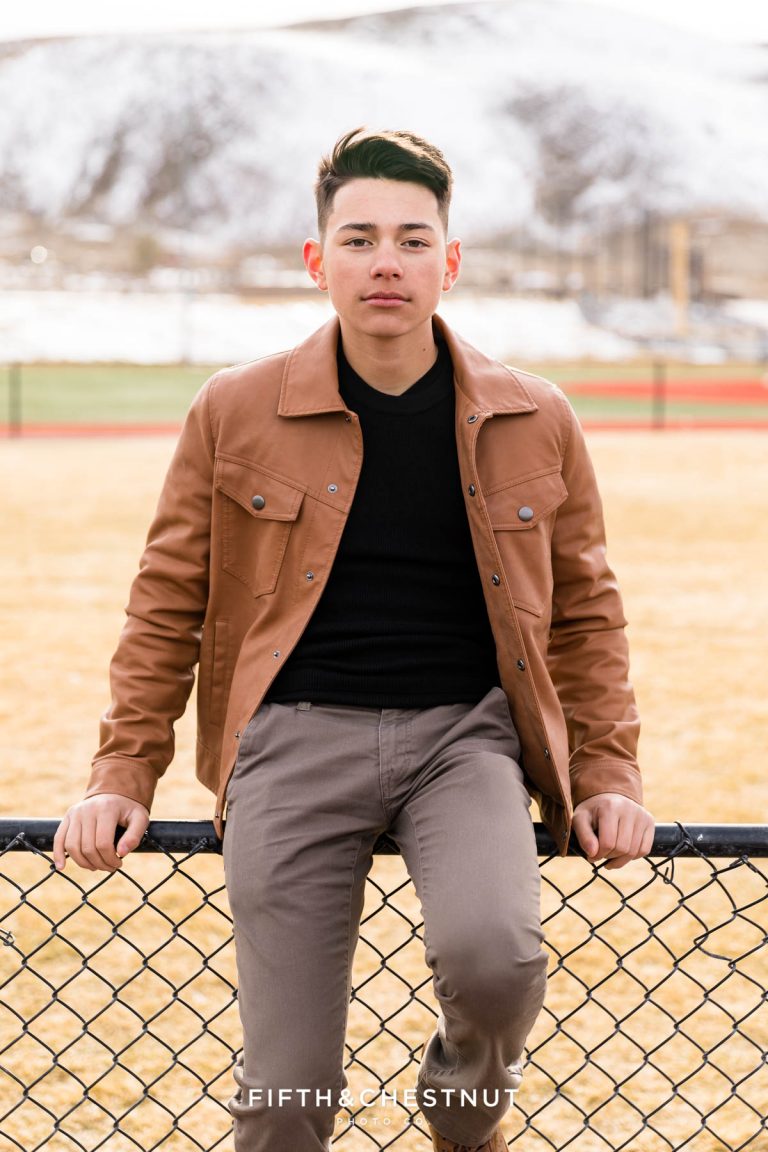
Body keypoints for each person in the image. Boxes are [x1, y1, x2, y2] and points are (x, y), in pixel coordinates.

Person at [53, 127, 655, 1152]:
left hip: (465, 742)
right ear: (317, 258)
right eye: (362, 237)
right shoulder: (234, 409)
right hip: (290, 741)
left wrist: (608, 775)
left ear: (449, 262)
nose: (388, 263)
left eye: (415, 241)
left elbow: (589, 615)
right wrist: (123, 772)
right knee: (291, 1095)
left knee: (498, 962)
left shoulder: (536, 416)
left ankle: (459, 1111)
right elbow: (166, 602)